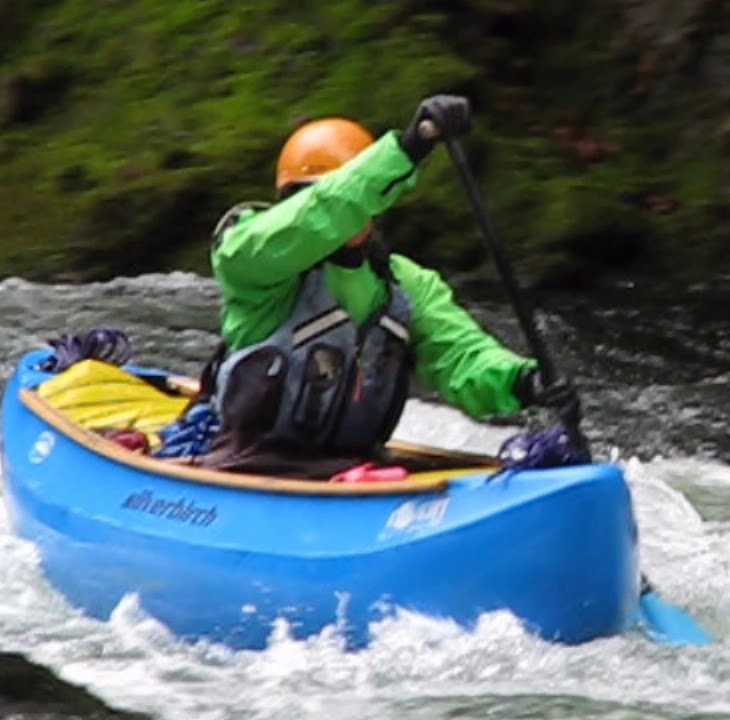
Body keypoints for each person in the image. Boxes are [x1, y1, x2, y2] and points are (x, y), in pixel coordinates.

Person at [195, 94, 579, 477]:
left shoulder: (404, 284)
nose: (353, 210)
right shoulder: (250, 259)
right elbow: (323, 211)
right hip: (246, 466)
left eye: (362, 198)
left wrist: (524, 381)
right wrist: (412, 146)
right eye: (317, 194)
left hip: (352, 471)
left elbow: (462, 358)